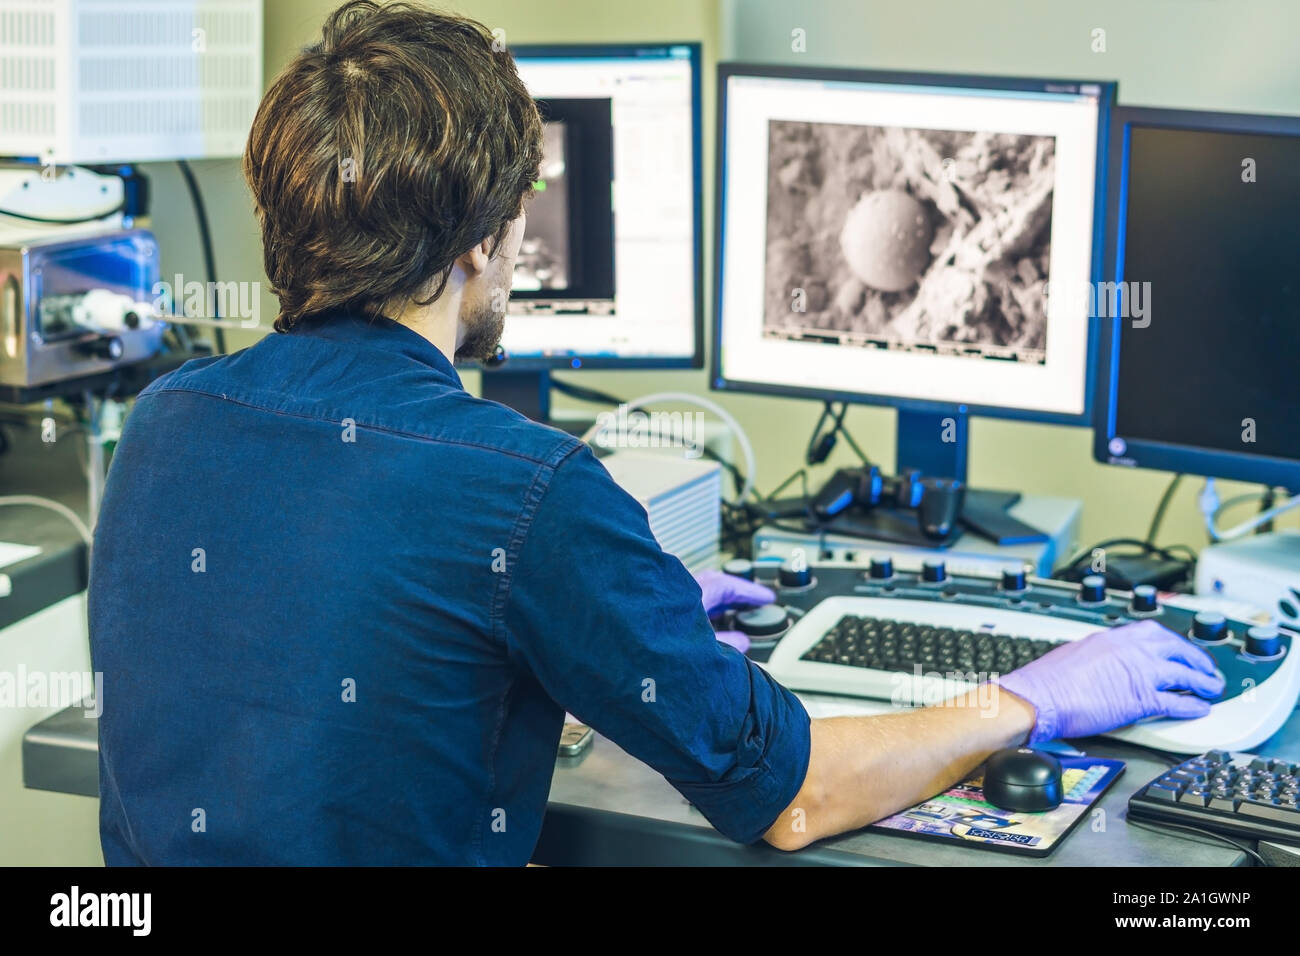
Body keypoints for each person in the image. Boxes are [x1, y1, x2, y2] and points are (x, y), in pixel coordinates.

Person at [88, 0, 1223, 865]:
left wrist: (599, 629)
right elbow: (794, 793)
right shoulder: (526, 486)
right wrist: (1038, 694)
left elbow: (349, 659)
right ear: (481, 239)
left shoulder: (162, 423)